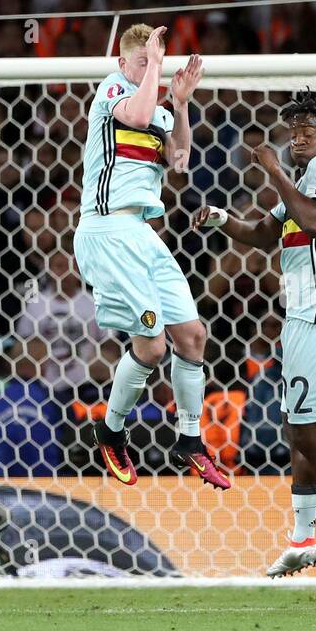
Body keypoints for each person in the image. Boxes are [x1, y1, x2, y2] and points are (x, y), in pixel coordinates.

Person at [194, 90, 316, 592]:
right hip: (309, 318)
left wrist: (273, 170)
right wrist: (221, 219)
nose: (299, 135)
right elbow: (264, 233)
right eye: (294, 127)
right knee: (298, 427)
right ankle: (303, 539)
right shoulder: (305, 184)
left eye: (310, 128)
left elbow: (315, 221)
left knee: (310, 436)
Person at [72, 24, 230, 490]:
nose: (149, 69)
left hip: (141, 231)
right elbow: (138, 118)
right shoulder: (113, 91)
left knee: (193, 335)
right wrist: (157, 69)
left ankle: (189, 440)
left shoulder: (157, 107)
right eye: (141, 61)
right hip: (106, 230)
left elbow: (179, 160)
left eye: (152, 61)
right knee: (152, 346)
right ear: (124, 64)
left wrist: (180, 104)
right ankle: (112, 430)